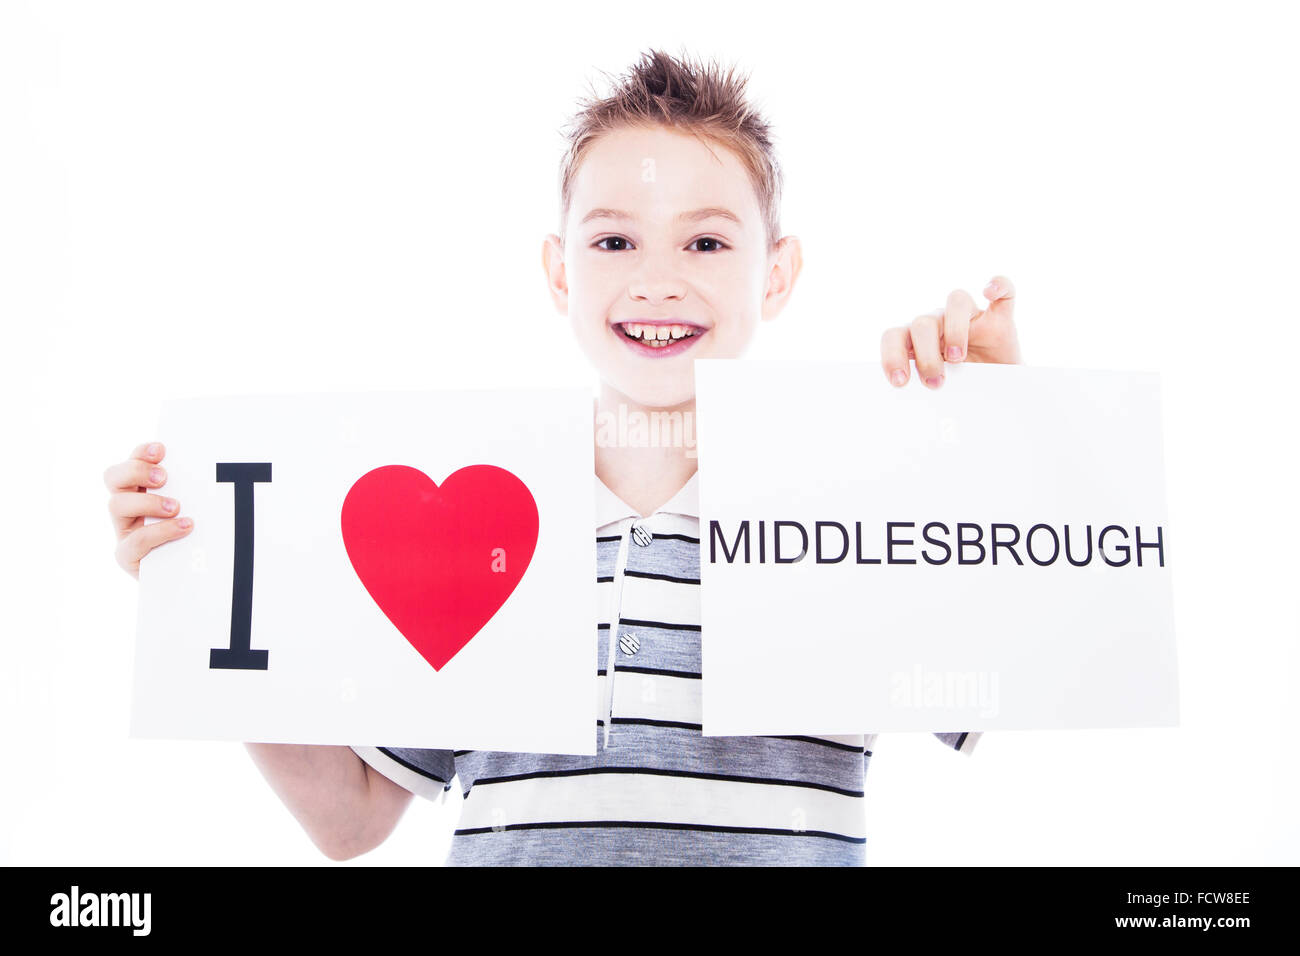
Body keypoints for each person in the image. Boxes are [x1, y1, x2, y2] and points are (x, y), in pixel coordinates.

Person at [102, 49, 1021, 865]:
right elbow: (351, 819)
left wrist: (1003, 434)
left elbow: (1011, 668)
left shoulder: (842, 507)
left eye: (705, 241)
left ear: (775, 274)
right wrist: (213, 593)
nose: (656, 278)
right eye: (614, 240)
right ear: (559, 272)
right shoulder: (477, 524)